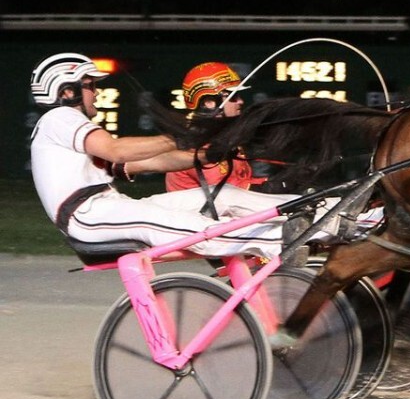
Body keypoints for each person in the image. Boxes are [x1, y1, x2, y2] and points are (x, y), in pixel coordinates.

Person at [28, 52, 294, 259]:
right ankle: (279, 241)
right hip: (88, 216)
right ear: (67, 91)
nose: (96, 92)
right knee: (190, 226)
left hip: (108, 208)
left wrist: (203, 156)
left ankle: (301, 212)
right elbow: (116, 149)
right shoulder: (59, 118)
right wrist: (178, 136)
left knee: (224, 196)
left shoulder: (67, 131)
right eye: (89, 85)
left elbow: (150, 163)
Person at [164, 61, 266, 194]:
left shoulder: (221, 136)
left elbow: (244, 182)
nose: (241, 101)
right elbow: (229, 192)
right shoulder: (198, 145)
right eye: (233, 97)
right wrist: (277, 186)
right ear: (209, 103)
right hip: (209, 205)